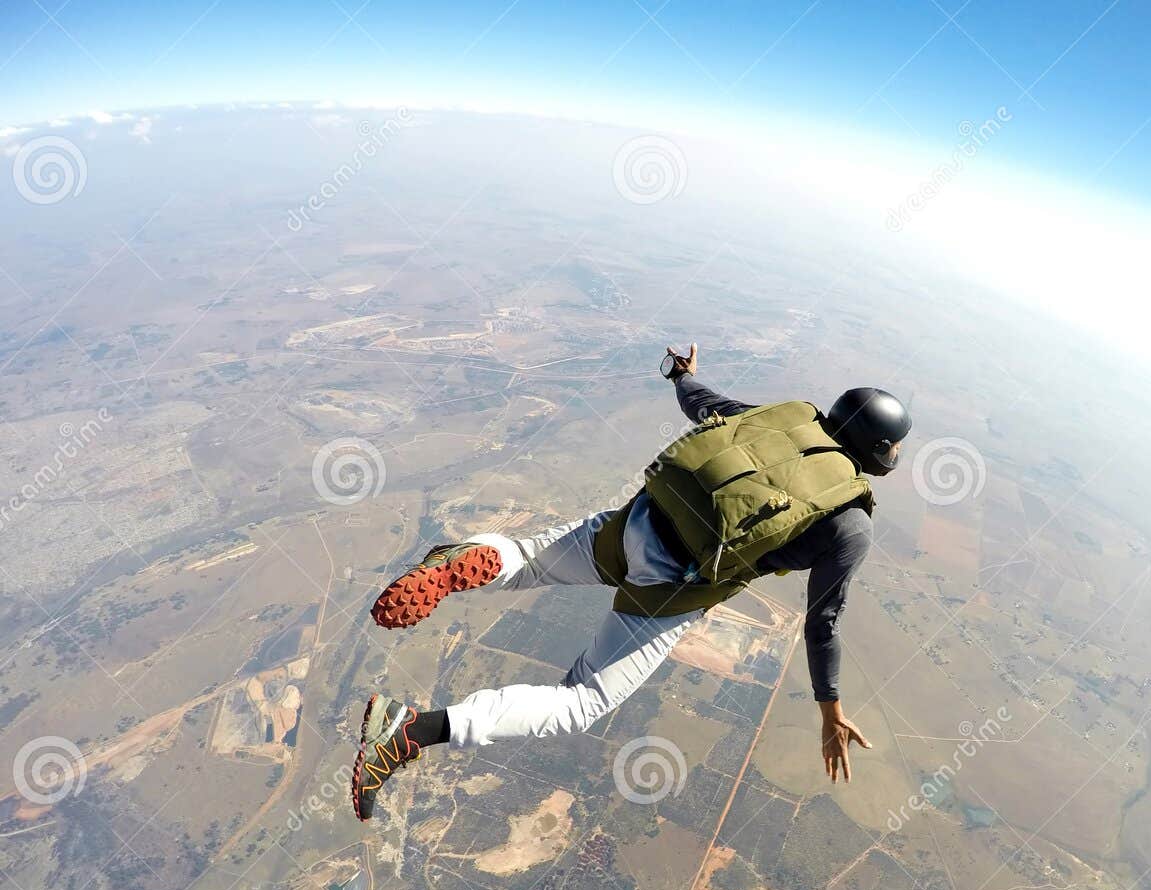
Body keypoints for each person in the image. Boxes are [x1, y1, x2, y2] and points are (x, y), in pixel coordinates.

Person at [351, 343, 912, 822]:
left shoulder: (784, 423)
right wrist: (829, 709)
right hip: (672, 587)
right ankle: (407, 732)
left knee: (528, 559)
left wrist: (681, 375)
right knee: (580, 702)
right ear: (880, 448)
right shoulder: (851, 522)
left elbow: (708, 410)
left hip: (634, 523)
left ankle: (471, 555)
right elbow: (823, 624)